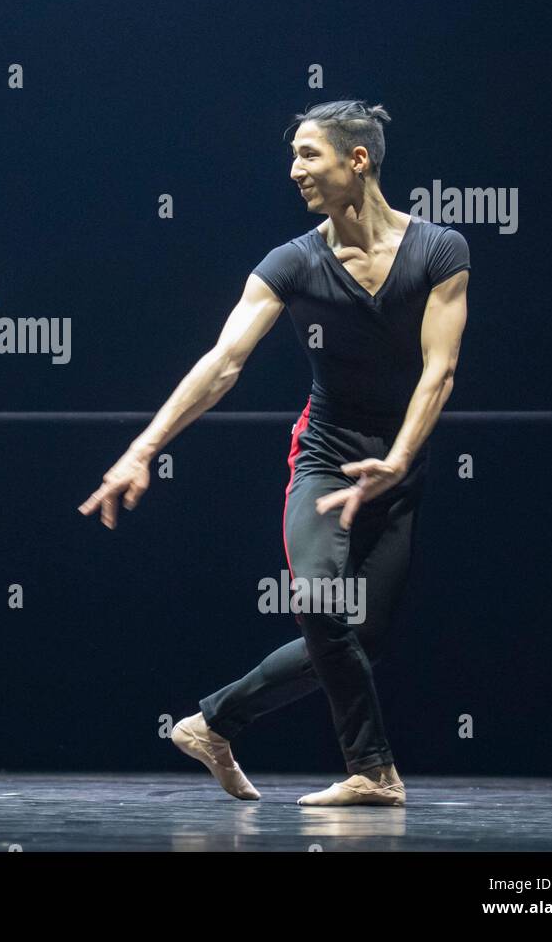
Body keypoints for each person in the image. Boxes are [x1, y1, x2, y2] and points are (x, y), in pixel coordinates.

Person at [79, 101, 469, 806]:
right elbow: (224, 360)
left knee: (359, 640)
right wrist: (144, 448)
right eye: (292, 157)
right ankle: (374, 770)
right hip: (323, 458)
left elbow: (438, 372)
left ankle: (214, 722)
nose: (294, 171)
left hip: (398, 468)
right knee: (324, 607)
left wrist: (400, 458)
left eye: (308, 155)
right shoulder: (293, 262)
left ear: (357, 160)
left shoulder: (440, 250)